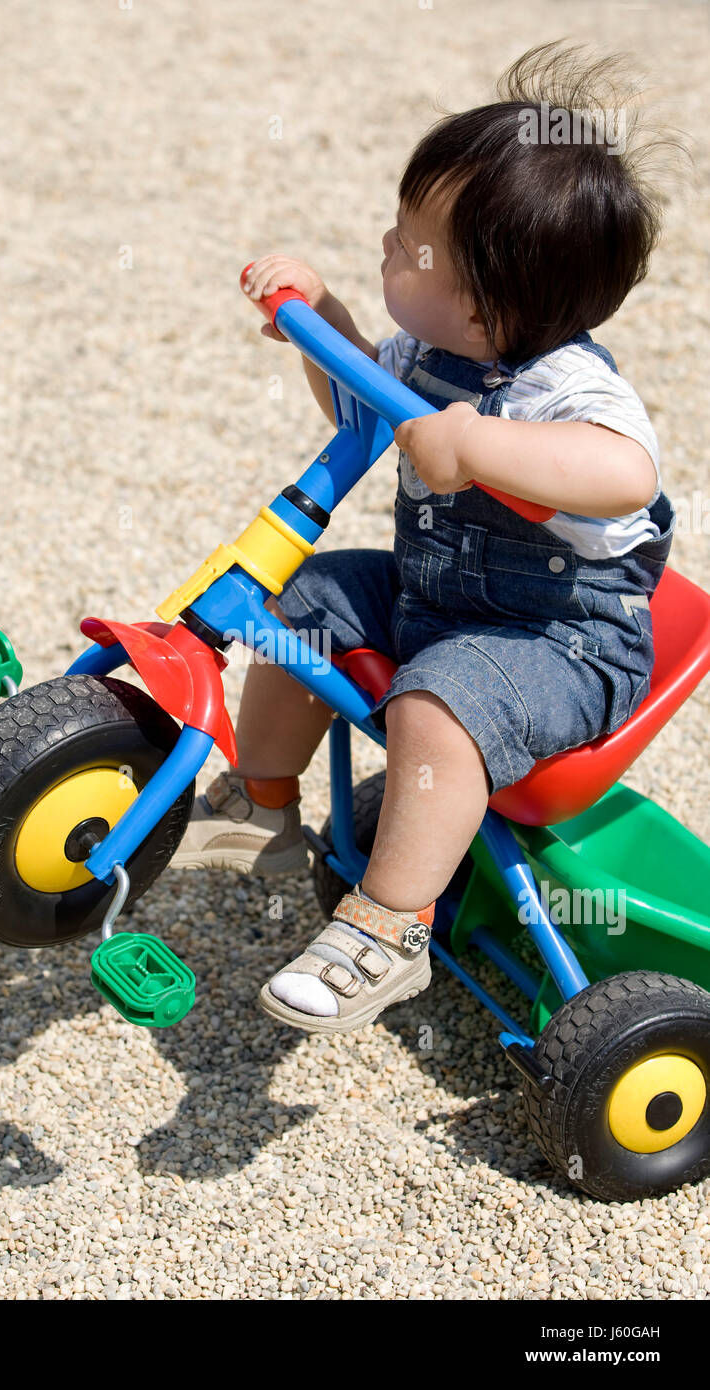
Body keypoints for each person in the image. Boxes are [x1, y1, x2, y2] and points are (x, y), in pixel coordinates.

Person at [172, 41, 676, 1033]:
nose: (388, 246)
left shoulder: (571, 391)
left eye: (411, 249)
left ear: (493, 307)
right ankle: (261, 808)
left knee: (438, 704)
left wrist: (482, 447)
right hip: (434, 600)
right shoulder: (434, 346)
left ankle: (386, 929)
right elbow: (360, 406)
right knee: (297, 603)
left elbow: (626, 475)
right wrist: (328, 320)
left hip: (560, 642)